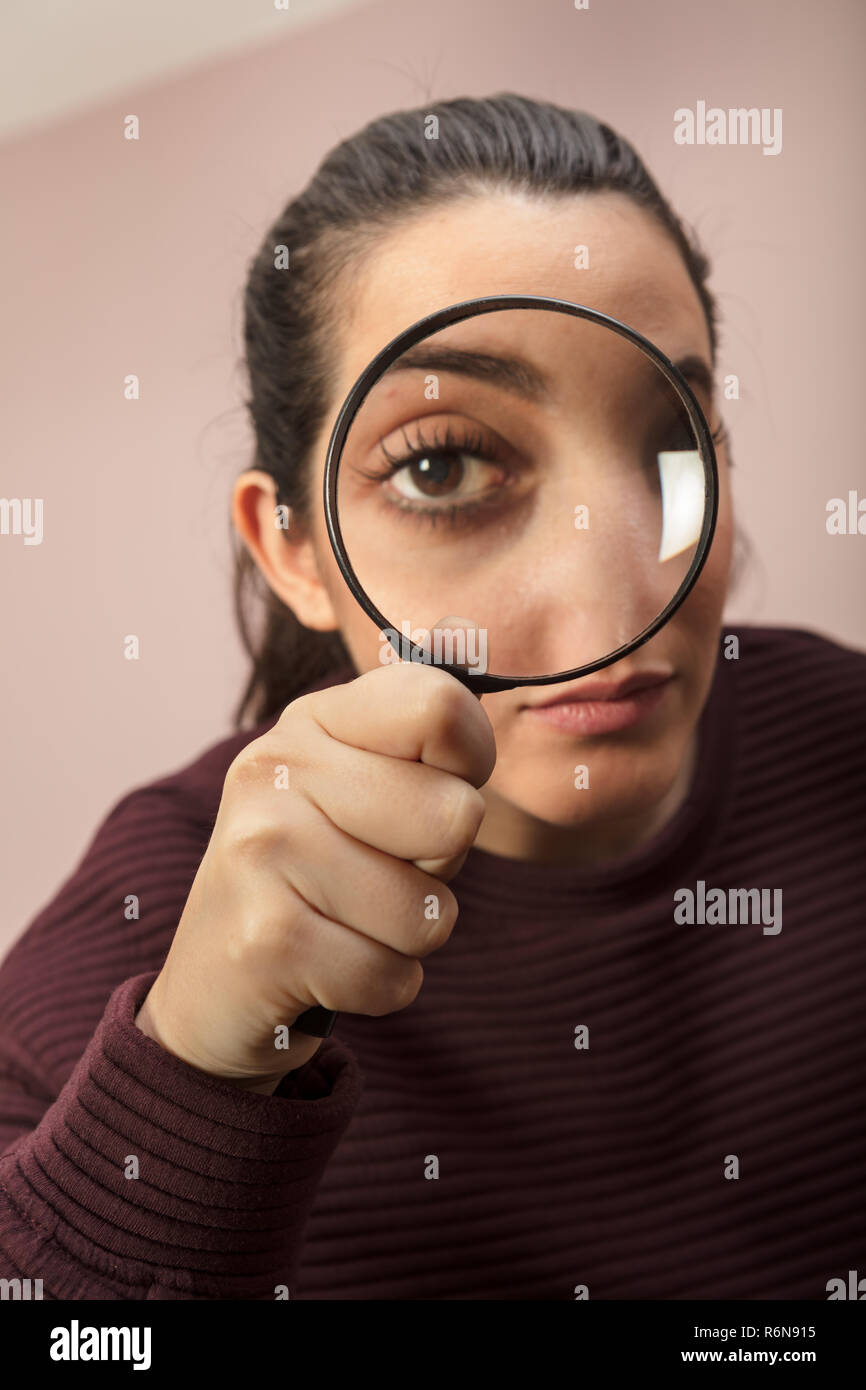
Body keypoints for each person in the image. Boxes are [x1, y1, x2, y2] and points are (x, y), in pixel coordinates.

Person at [1, 94, 863, 1302]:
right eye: (443, 462)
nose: (621, 596)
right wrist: (196, 1070)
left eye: (671, 442)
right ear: (291, 546)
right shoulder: (138, 934)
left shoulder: (845, 732)